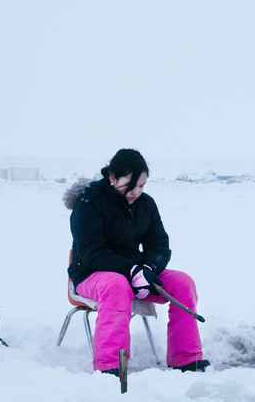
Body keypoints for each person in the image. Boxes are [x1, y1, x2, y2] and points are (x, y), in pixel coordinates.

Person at [64, 149, 209, 374]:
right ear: (112, 177)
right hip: (90, 273)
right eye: (129, 186)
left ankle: (186, 359)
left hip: (135, 272)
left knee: (183, 283)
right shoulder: (88, 203)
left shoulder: (146, 204)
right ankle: (111, 366)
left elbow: (159, 245)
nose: (136, 192)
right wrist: (132, 271)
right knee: (116, 284)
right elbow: (92, 252)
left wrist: (148, 269)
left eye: (141, 186)